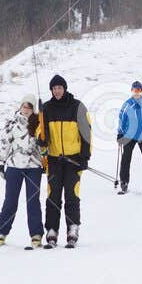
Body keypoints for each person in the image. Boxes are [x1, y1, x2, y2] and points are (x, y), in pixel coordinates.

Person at [39, 74, 91, 248]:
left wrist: (85, 157)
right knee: (53, 196)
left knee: (71, 195)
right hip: (54, 160)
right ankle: (52, 230)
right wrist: (41, 139)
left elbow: (86, 133)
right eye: (54, 88)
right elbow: (40, 130)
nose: (57, 91)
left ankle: (72, 229)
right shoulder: (46, 108)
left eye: (59, 88)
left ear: (65, 88)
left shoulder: (78, 107)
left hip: (73, 160)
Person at [0, 96, 46, 247]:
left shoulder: (39, 124)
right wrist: (1, 163)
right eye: (24, 106)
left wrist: (45, 160)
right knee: (10, 200)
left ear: (33, 109)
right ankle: (2, 232)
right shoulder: (12, 124)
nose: (26, 110)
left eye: (29, 107)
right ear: (20, 107)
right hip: (14, 167)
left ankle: (36, 235)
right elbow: (5, 144)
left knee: (33, 202)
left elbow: (44, 146)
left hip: (33, 168)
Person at [116, 81, 142, 195]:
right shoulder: (127, 104)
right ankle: (124, 182)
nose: (136, 92)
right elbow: (122, 118)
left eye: (138, 90)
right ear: (132, 91)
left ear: (141, 91)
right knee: (126, 160)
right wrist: (120, 133)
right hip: (129, 135)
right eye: (134, 90)